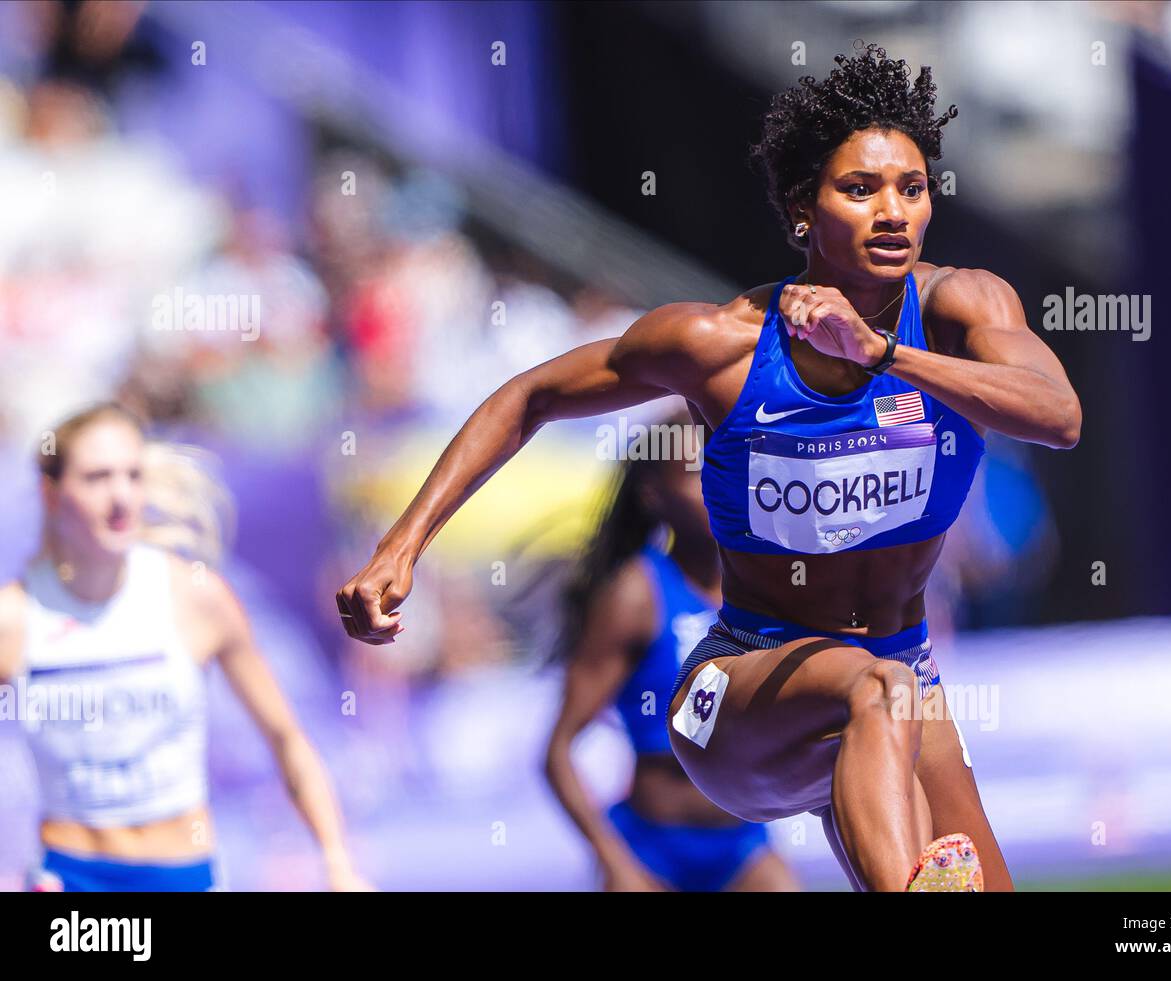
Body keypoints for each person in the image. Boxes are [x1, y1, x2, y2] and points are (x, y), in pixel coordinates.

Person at [336, 42, 1080, 892]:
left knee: (899, 716)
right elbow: (529, 396)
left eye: (912, 188)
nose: (893, 212)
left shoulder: (962, 310)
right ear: (803, 208)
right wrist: (402, 546)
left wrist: (882, 357)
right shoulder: (720, 346)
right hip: (738, 690)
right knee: (871, 689)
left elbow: (1057, 417)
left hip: (902, 677)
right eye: (859, 188)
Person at [0, 403, 369, 891]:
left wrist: (337, 862)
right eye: (96, 478)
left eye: (132, 476)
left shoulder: (196, 597)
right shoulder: (16, 617)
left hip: (184, 875)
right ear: (52, 494)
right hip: (72, 879)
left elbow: (287, 739)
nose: (120, 497)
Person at [543, 413, 798, 891]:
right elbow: (557, 753)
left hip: (743, 847)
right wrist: (614, 862)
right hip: (649, 853)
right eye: (694, 471)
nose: (715, 483)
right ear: (653, 496)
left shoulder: (766, 588)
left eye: (721, 465)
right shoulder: (636, 595)